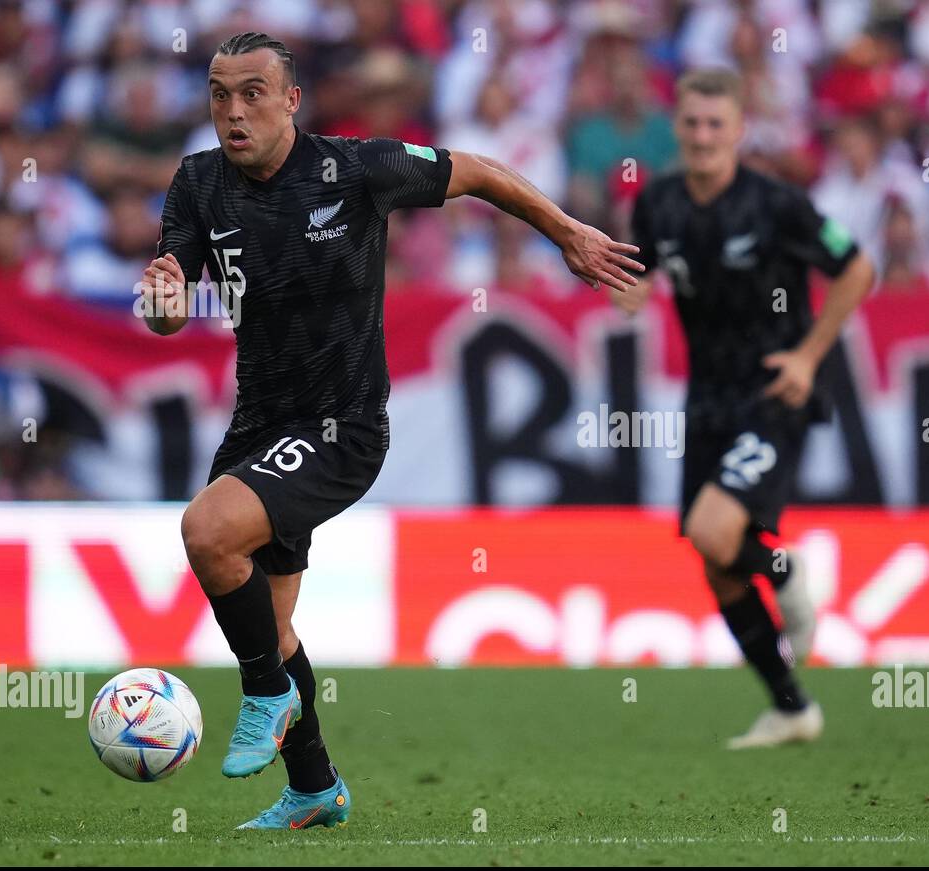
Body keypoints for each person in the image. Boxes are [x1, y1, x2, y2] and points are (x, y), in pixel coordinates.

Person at [141, 32, 642, 828]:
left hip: (342, 428)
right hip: (258, 427)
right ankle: (314, 787)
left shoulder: (355, 169)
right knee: (269, 625)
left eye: (252, 93)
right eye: (219, 95)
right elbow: (170, 307)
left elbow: (474, 170)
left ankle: (265, 695)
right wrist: (164, 301)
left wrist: (568, 234)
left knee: (207, 532)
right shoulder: (199, 183)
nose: (233, 111)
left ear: (292, 101)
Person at [611, 69, 875, 749]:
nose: (702, 136)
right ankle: (791, 706)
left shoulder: (777, 204)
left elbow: (857, 268)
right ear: (678, 127)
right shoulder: (659, 205)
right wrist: (622, 288)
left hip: (773, 390)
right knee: (719, 562)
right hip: (705, 401)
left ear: (738, 131)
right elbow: (638, 279)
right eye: (692, 123)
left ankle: (787, 572)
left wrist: (810, 356)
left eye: (715, 124)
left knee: (711, 528)